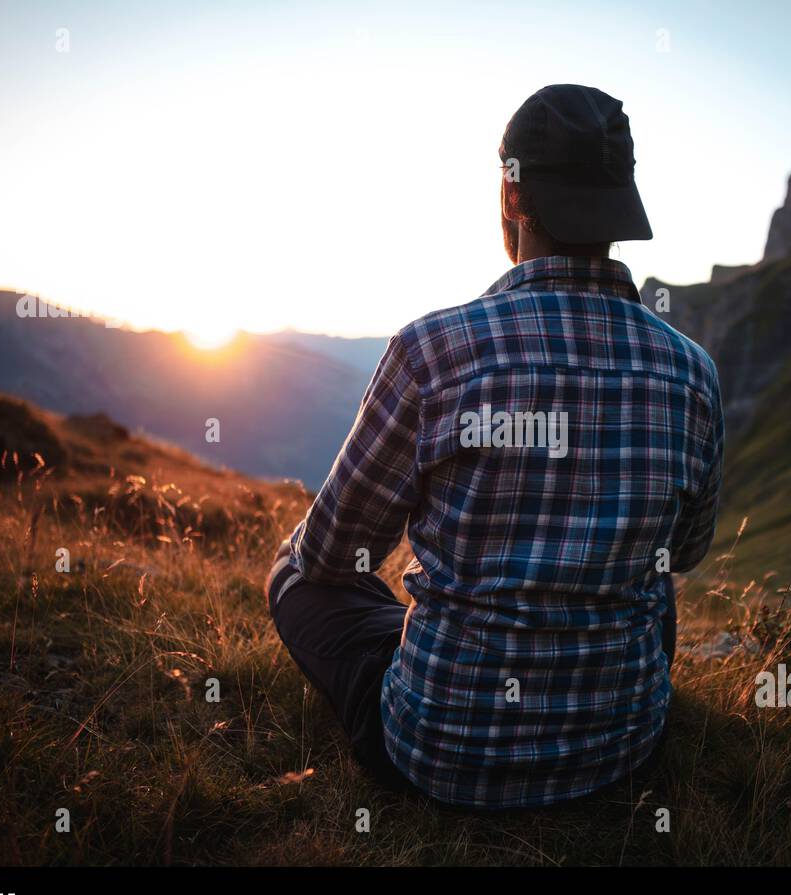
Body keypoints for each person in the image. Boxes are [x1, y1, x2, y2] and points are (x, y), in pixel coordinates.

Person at [267, 84, 724, 808]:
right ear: (620, 203)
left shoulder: (433, 349)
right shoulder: (693, 371)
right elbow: (688, 552)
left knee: (295, 572)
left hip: (438, 755)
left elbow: (332, 554)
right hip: (622, 753)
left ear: (514, 199)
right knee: (655, 578)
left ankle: (443, 696)